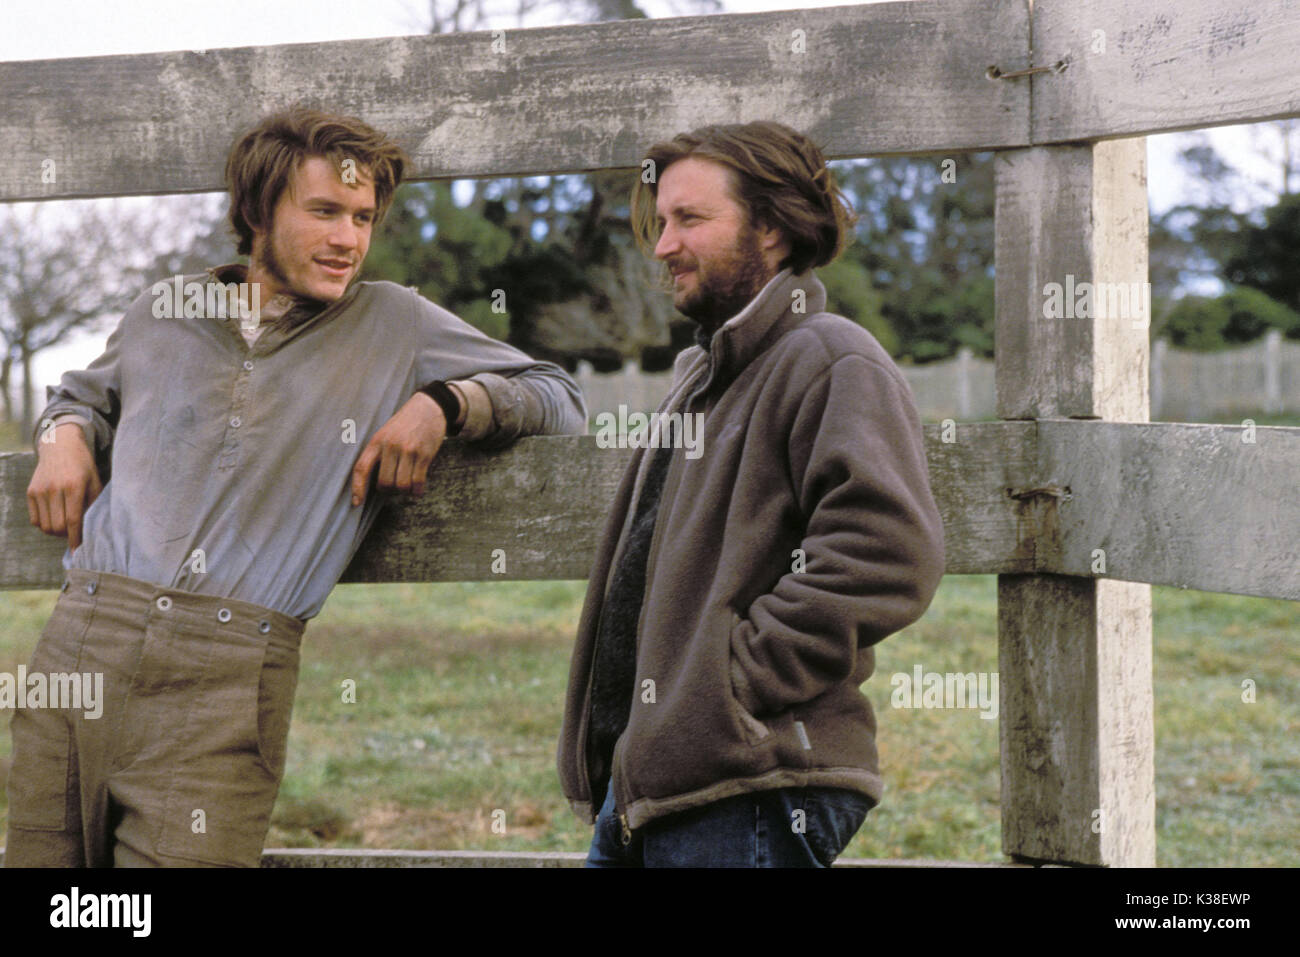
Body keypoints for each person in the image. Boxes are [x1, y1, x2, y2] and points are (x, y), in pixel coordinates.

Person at [9, 107, 586, 867]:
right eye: (324, 211)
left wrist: (445, 404)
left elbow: (558, 396)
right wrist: (61, 438)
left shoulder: (394, 323)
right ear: (255, 212)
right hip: (83, 641)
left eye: (363, 217)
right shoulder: (163, 311)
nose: (348, 239)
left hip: (226, 675)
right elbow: (80, 395)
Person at [556, 120, 945, 867]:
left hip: (752, 783)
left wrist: (727, 686)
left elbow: (888, 553)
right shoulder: (706, 377)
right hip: (658, 782)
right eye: (662, 222)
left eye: (691, 220)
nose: (664, 245)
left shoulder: (830, 357)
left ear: (771, 228)